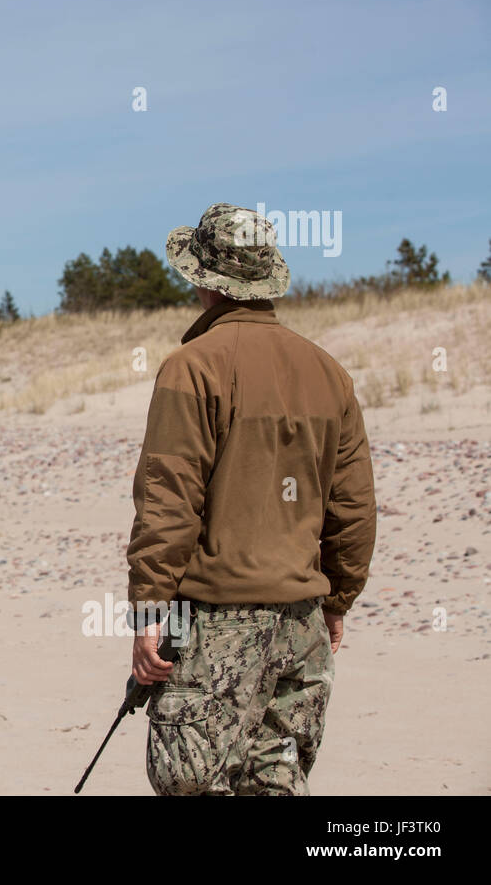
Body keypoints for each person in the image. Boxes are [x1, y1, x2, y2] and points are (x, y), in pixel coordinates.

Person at [126, 202, 376, 796]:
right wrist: (337, 599)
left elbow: (169, 499)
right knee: (277, 784)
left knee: (190, 782)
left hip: (217, 620)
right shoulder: (328, 372)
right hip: (301, 624)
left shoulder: (191, 367)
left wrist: (148, 610)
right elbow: (355, 508)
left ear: (203, 281)